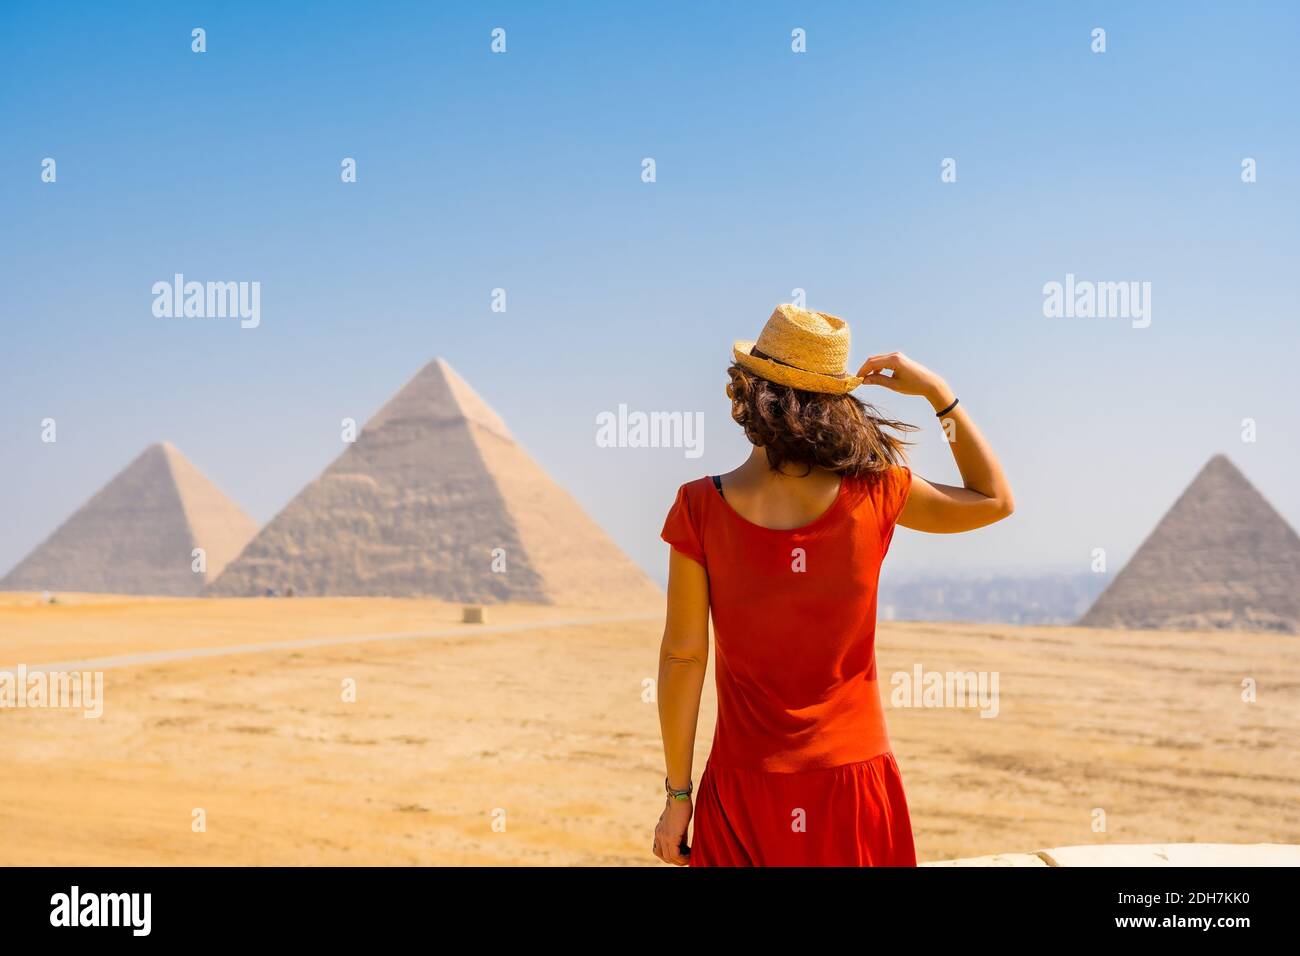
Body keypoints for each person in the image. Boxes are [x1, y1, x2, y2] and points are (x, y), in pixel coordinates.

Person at [653, 304, 1014, 866]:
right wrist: (939, 394)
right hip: (853, 783)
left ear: (744, 395)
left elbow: (682, 657)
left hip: (744, 790)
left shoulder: (699, 507)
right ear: (835, 406)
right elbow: (993, 499)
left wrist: (679, 797)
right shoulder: (879, 491)